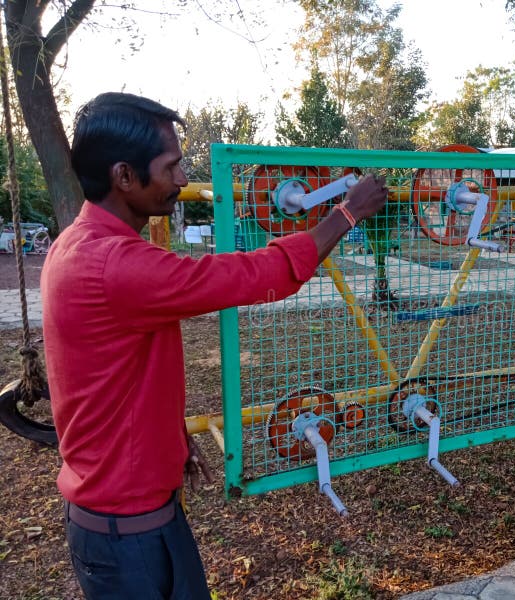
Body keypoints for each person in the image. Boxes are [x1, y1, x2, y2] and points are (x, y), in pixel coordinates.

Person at [41, 92, 388, 599]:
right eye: (172, 166)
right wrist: (346, 214)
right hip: (126, 535)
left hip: (139, 514)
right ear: (124, 176)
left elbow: (114, 375)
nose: (183, 180)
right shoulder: (112, 266)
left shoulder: (78, 244)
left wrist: (169, 438)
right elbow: (250, 274)